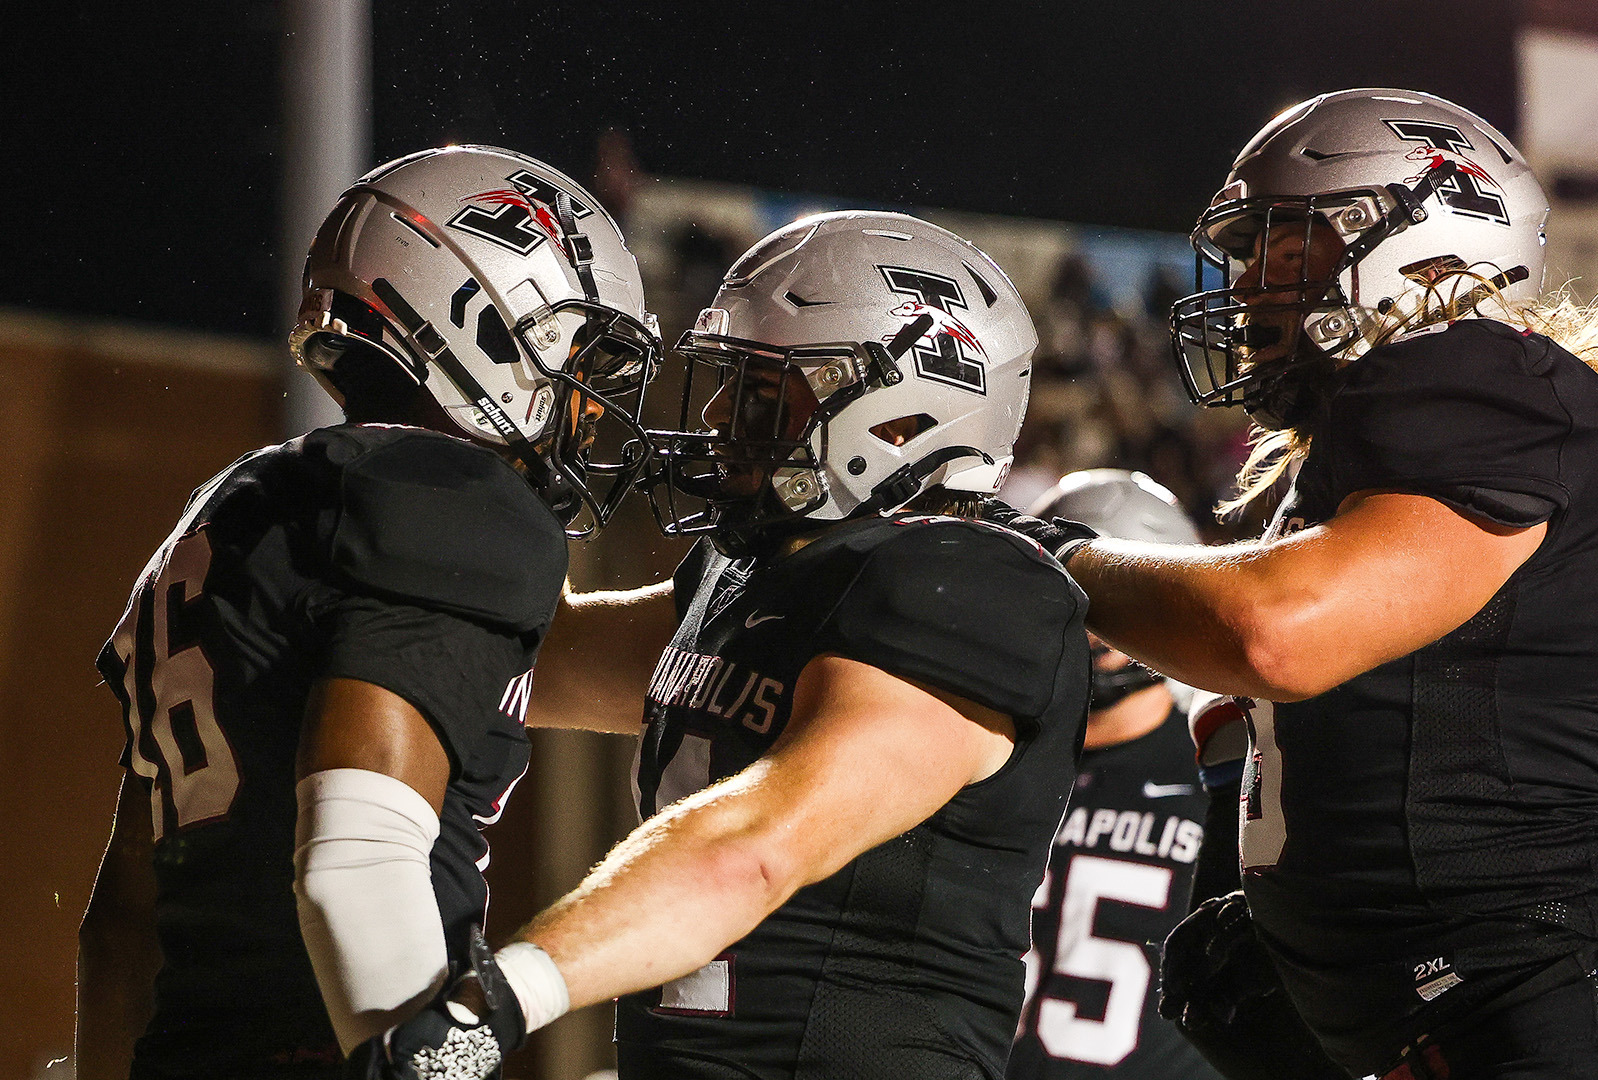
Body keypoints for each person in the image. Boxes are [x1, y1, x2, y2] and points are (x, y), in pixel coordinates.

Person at [1007, 89, 1598, 1080]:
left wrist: (1054, 560)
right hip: (1487, 1021)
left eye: (1287, 247)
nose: (1252, 280)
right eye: (1250, 251)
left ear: (1425, 245)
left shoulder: (1479, 374)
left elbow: (1277, 633)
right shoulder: (1361, 461)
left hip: (1549, 1017)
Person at [351, 211, 1092, 1080]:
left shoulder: (963, 585)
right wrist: (460, 452)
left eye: (763, 395)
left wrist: (502, 996)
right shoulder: (752, 577)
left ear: (899, 419)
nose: (715, 417)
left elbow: (753, 847)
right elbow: (521, 660)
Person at [75, 145, 660, 1080]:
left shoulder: (257, 507)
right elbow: (358, 860)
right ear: (481, 319)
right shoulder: (451, 502)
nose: (591, 409)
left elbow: (126, 926)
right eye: (581, 354)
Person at [1006, 470, 1225, 1080]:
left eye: (1111, 609)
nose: (1091, 633)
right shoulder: (977, 755)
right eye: (1072, 606)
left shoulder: (1223, 776)